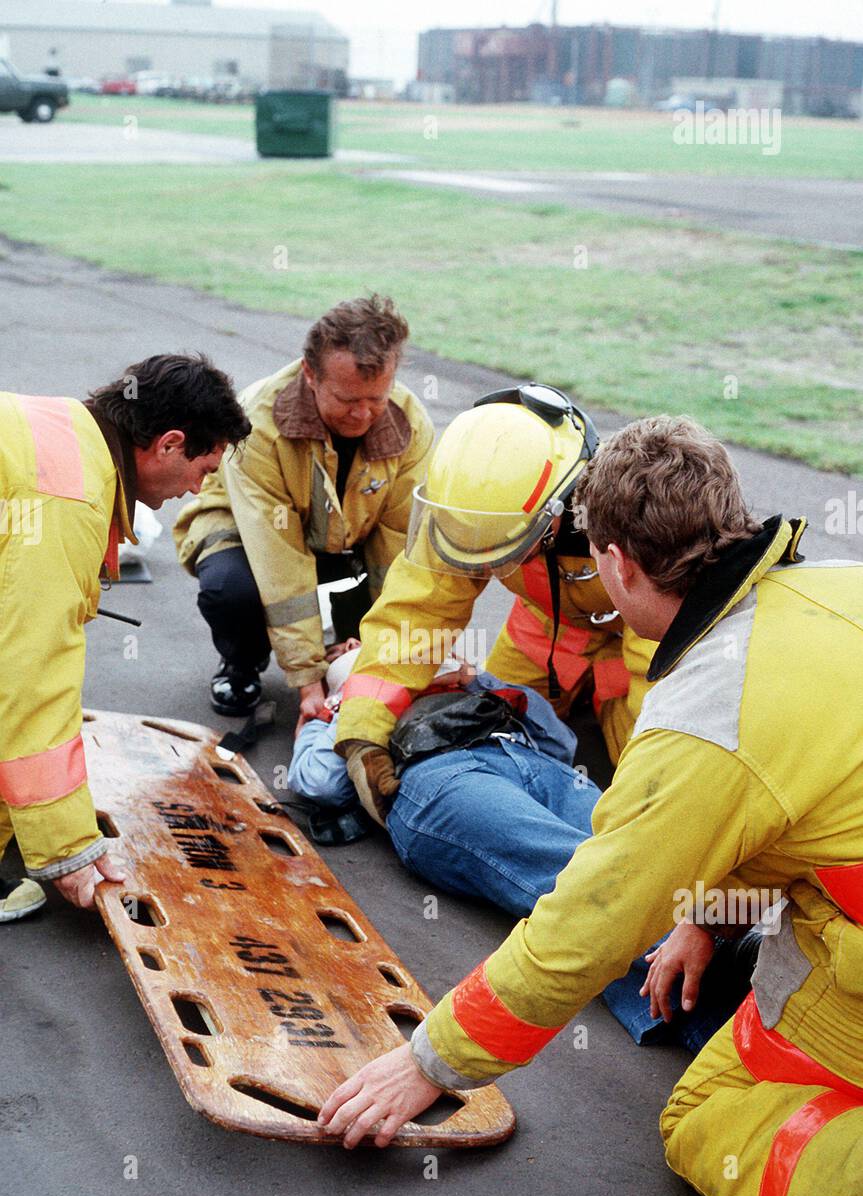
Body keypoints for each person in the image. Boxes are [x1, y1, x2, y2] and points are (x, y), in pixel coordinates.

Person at [320, 414, 863, 1196]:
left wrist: (430, 1061)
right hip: (810, 903)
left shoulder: (708, 720)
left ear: (611, 559)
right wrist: (698, 909)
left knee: (707, 1113)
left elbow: (587, 922)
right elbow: (796, 792)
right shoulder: (837, 587)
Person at [293, 646, 756, 1051]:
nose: (353, 642)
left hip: (527, 758)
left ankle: (713, 994)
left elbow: (557, 739)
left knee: (645, 850)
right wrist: (322, 717)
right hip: (439, 776)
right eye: (341, 648)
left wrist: (480, 680)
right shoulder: (349, 701)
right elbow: (320, 782)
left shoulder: (463, 676)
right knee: (580, 873)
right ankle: (728, 961)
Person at [333, 384, 656, 829]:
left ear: (559, 510)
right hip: (544, 632)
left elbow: (661, 667)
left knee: (645, 782)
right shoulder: (467, 507)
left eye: (504, 551)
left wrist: (650, 798)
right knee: (502, 734)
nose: (490, 566)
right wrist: (361, 733)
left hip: (643, 644)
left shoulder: (638, 520)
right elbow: (416, 616)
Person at [0, 354, 251, 916]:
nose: (195, 489)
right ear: (168, 443)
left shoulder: (67, 435)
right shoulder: (69, 500)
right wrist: (65, 851)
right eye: (204, 469)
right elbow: (30, 678)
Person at [172, 295, 435, 724]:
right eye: (347, 398)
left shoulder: (409, 422)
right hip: (248, 530)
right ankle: (242, 663)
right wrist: (308, 680)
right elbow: (279, 558)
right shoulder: (257, 421)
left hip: (349, 533)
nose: (363, 413)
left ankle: (349, 645)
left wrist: (383, 652)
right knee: (231, 588)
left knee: (367, 641)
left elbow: (401, 548)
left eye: (377, 397)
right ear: (310, 374)